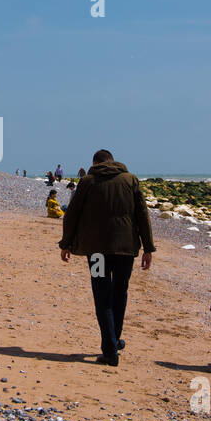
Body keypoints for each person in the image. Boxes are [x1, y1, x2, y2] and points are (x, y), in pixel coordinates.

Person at [59, 149, 155, 366]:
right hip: (126, 250)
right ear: (112, 161)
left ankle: (111, 347)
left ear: (95, 162)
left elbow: (71, 215)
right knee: (120, 292)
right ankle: (113, 341)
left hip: (97, 252)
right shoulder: (130, 180)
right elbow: (142, 215)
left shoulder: (87, 182)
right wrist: (148, 248)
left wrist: (66, 244)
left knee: (102, 295)